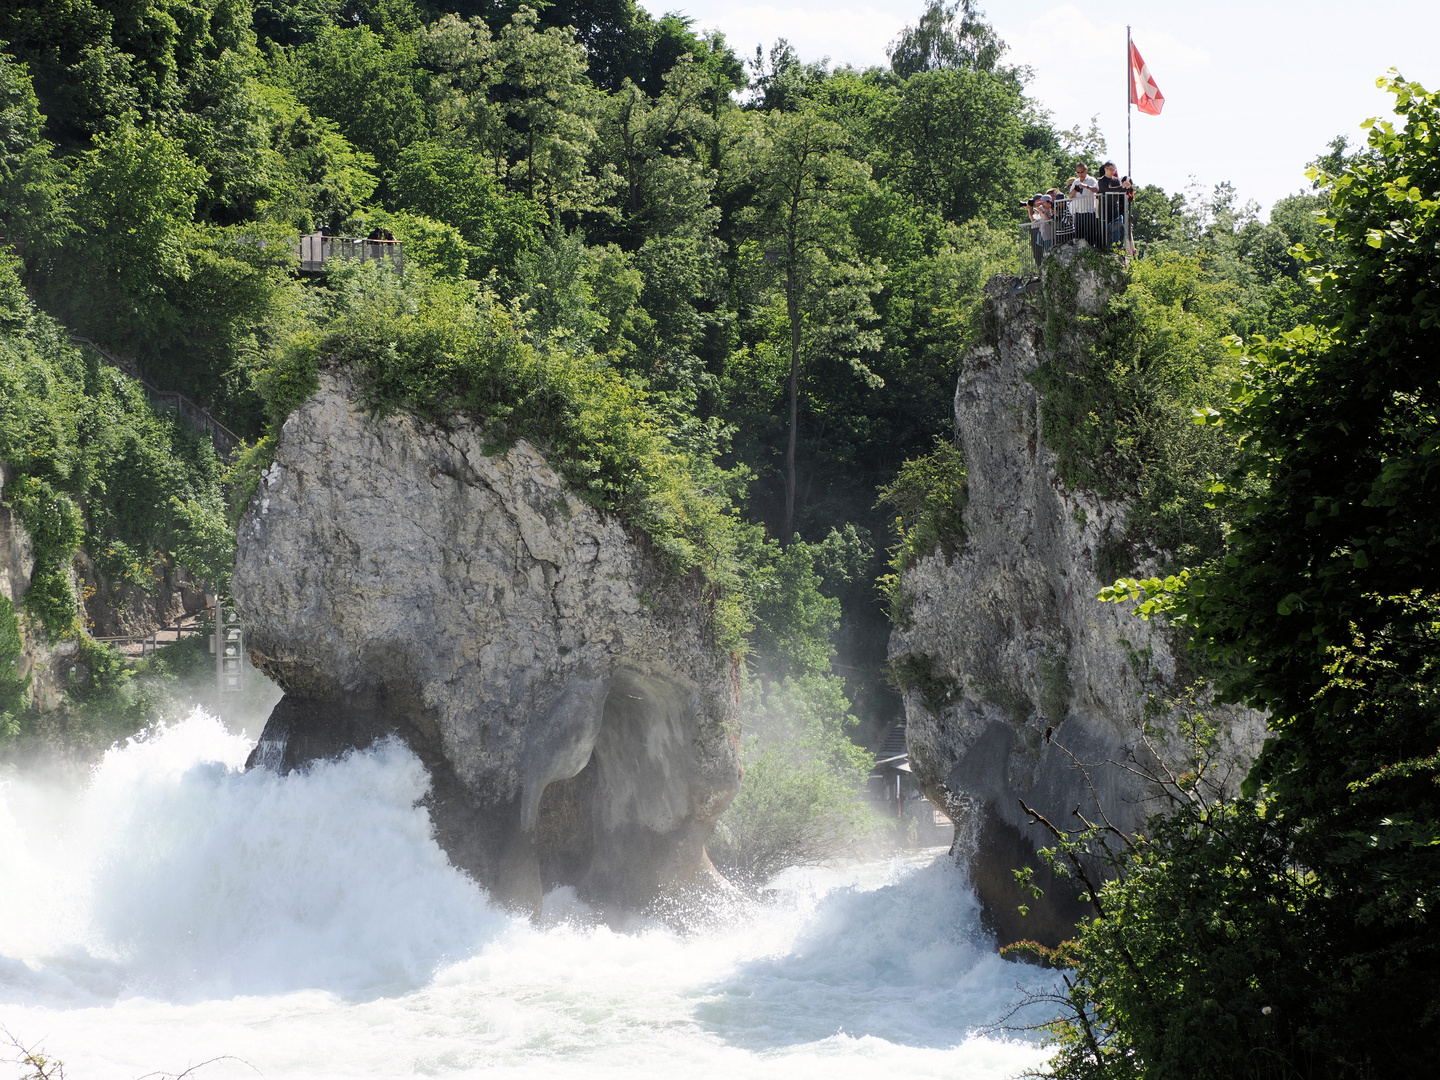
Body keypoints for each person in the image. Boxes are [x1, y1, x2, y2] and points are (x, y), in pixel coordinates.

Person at [1095, 162, 1134, 248]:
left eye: (1114, 169)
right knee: (1105, 225)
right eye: (1111, 169)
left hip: (1114, 206)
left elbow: (1122, 191)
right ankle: (1104, 245)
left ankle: (1115, 244)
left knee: (1116, 224)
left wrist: (1125, 187)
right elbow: (1106, 189)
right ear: (1106, 169)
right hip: (1104, 206)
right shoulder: (1102, 180)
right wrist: (1121, 188)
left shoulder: (1116, 180)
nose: (1113, 171)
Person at [1067, 163, 1099, 246]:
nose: (1080, 174)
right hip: (1079, 212)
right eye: (1078, 172)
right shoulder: (1076, 182)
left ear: (1086, 171)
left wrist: (1086, 186)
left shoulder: (1092, 180)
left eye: (1082, 172)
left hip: (1089, 211)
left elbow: (1096, 190)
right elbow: (1070, 196)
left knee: (1090, 235)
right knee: (1079, 236)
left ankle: (1091, 253)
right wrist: (1074, 190)